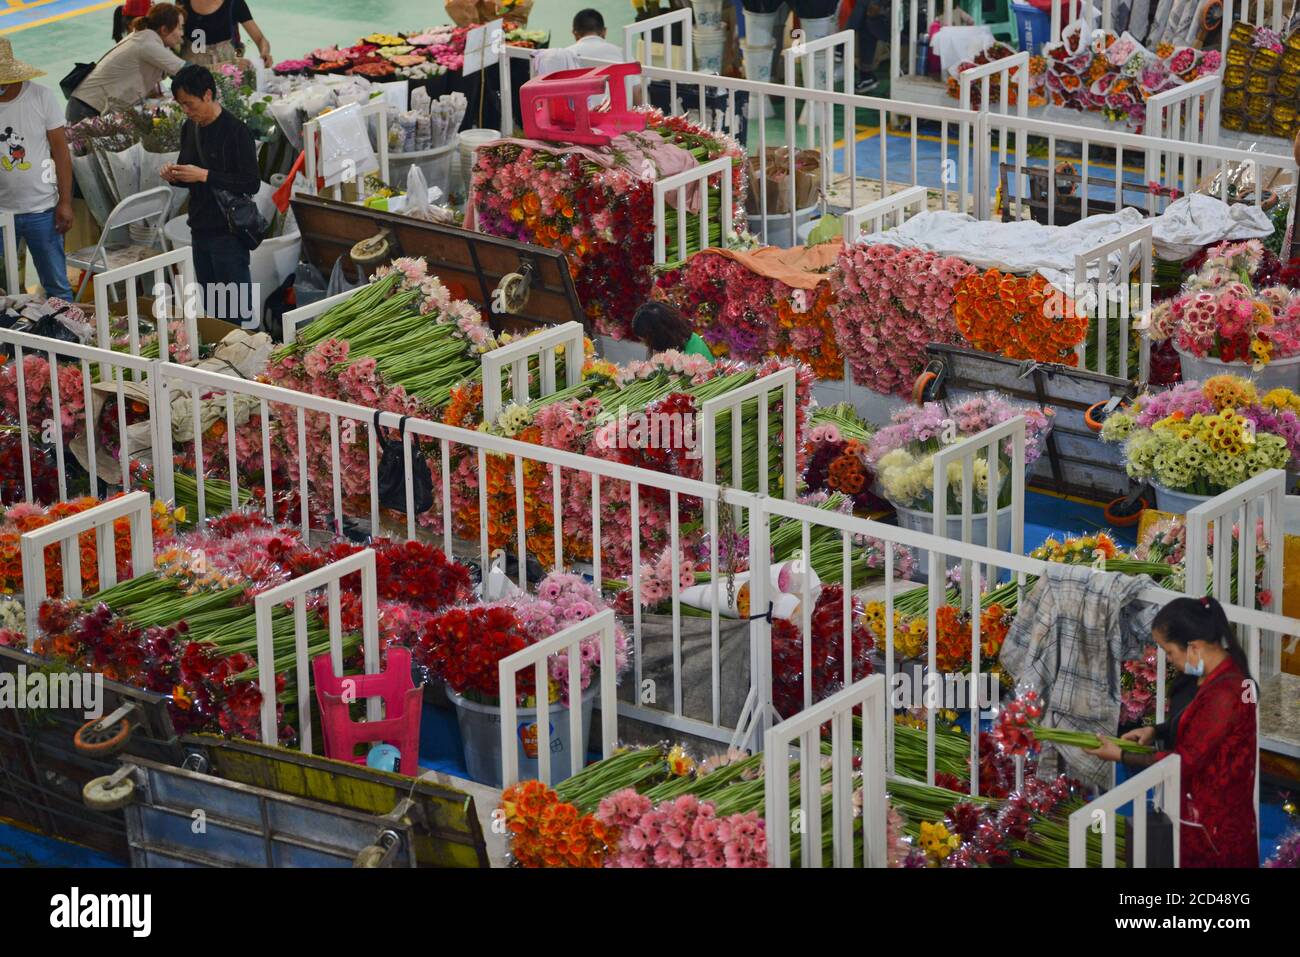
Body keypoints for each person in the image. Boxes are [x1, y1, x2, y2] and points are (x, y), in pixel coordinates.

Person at [1088, 596, 1258, 868]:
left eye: (1169, 652)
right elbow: (1200, 726)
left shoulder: (1226, 693)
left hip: (1212, 824)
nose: (1169, 660)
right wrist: (1154, 731)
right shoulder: (1217, 674)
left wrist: (1120, 755)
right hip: (1209, 811)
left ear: (1194, 647)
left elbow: (1184, 762)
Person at [161, 64, 260, 327]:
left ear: (207, 94)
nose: (186, 110)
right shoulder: (190, 129)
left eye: (189, 103)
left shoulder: (236, 131)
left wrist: (205, 174)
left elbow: (251, 183)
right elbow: (189, 175)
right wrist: (175, 175)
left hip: (228, 234)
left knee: (234, 313)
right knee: (214, 310)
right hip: (200, 230)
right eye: (181, 105)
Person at [0, 40, 74, 302]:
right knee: (5, 290)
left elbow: (61, 153)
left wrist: (64, 201)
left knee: (57, 286)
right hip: (1, 216)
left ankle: (68, 336)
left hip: (41, 209)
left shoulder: (41, 97)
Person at [68, 4, 187, 124]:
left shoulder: (147, 38)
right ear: (164, 29)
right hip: (86, 109)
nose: (182, 34)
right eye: (180, 28)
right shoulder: (148, 43)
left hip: (87, 106)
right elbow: (187, 70)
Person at [178, 0, 271, 68]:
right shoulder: (182, 3)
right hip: (193, 75)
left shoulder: (234, 3)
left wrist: (264, 53)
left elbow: (260, 39)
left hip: (229, 75)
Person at [632, 301, 715, 361]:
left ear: (658, 337)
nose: (645, 345)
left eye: (646, 341)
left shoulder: (684, 361)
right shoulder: (691, 338)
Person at [846, 1, 889, 94]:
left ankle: (842, 43)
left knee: (864, 7)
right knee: (867, 23)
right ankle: (867, 77)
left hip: (908, 16)